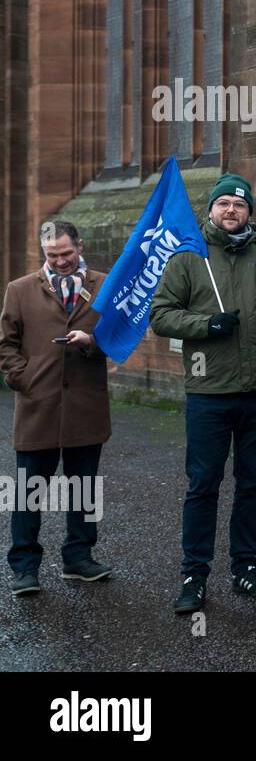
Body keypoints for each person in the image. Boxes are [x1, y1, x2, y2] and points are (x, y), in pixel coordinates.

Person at [151, 172, 256, 614]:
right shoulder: (189, 256)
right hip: (210, 392)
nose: (231, 210)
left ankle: (245, 568)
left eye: (240, 204)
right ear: (211, 210)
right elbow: (162, 314)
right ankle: (194, 575)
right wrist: (205, 325)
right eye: (223, 203)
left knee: (252, 485)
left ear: (249, 211)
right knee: (203, 485)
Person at [1, 222, 112, 596]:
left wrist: (92, 342)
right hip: (38, 404)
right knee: (30, 491)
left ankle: (78, 559)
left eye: (67, 253)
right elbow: (6, 344)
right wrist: (25, 378)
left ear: (79, 245)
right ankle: (25, 568)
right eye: (53, 255)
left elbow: (120, 336)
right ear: (43, 253)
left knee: (82, 487)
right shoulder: (18, 290)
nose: (61, 261)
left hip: (86, 402)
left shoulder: (105, 284)